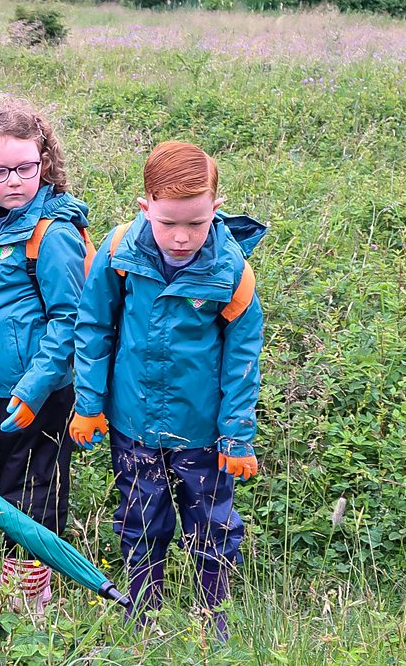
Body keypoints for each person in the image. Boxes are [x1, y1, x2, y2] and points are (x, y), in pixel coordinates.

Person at [68, 141, 266, 639]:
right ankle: (142, 610)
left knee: (213, 527)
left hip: (202, 433)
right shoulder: (118, 253)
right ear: (145, 207)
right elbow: (94, 328)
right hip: (133, 425)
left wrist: (236, 436)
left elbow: (242, 361)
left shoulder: (232, 274)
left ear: (215, 210)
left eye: (196, 224)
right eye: (168, 222)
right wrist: (89, 405)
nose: (181, 237)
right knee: (139, 519)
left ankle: (213, 615)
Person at [0, 95, 91, 617]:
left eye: (26, 167)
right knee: (12, 479)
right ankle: (22, 580)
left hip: (39, 391)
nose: (14, 179)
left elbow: (69, 321)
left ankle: (29, 594)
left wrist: (33, 387)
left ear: (45, 162)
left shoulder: (50, 234)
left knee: (32, 486)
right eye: (0, 170)